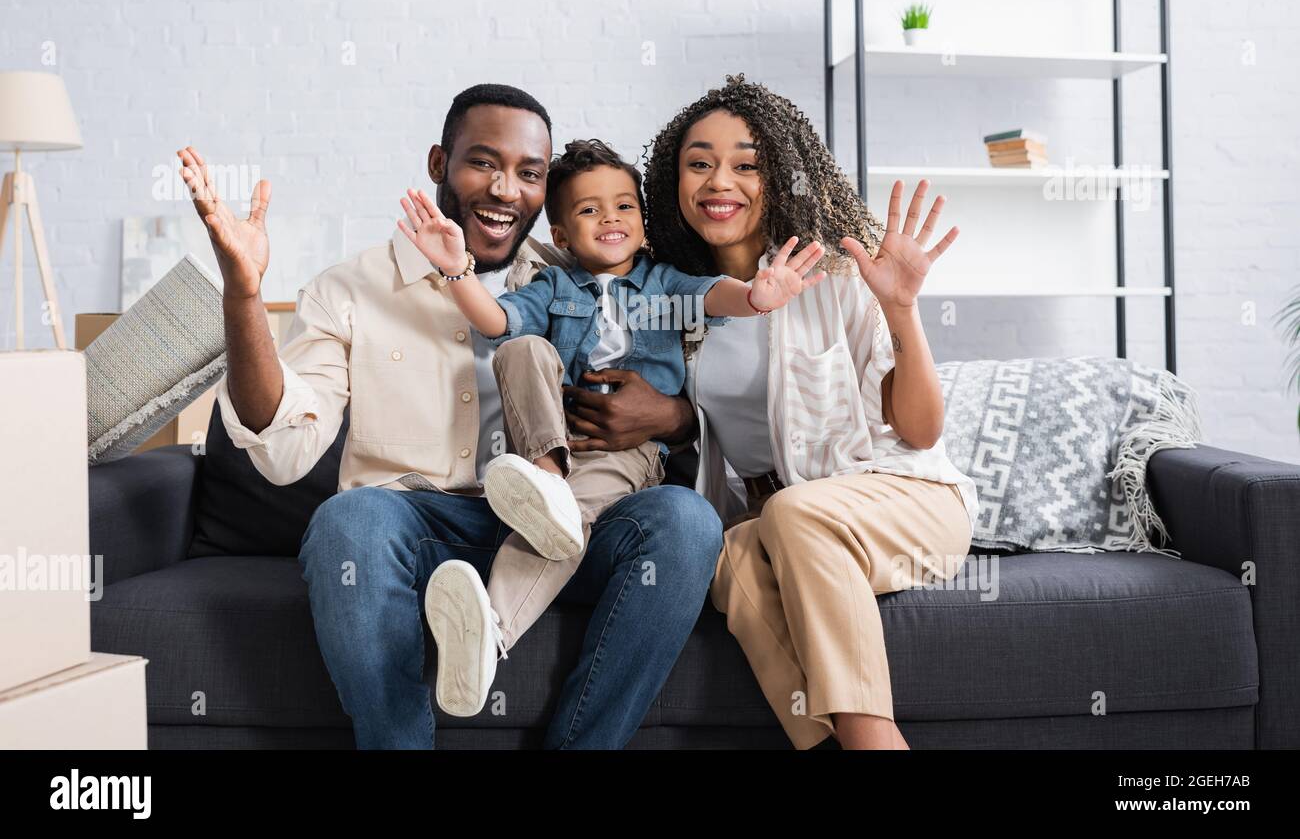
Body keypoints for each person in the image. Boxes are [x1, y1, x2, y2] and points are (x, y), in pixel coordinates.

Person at [176, 83, 724, 749]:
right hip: (424, 523)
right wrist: (245, 291)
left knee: (687, 522)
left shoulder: (575, 272)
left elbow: (704, 375)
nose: (504, 189)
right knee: (347, 519)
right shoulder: (349, 288)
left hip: (571, 522)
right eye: (482, 163)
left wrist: (674, 417)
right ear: (440, 163)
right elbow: (280, 448)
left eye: (529, 173)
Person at [397, 138, 825, 715]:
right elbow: (497, 321)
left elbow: (713, 297)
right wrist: (456, 270)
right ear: (562, 235)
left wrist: (754, 295)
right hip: (558, 443)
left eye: (624, 206)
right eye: (589, 210)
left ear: (644, 225)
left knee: (563, 521)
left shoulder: (664, 284)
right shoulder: (553, 286)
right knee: (522, 348)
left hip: (629, 454)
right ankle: (545, 481)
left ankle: (491, 631)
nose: (610, 219)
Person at [641, 74, 980, 750]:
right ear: (673, 182)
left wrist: (902, 310)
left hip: (907, 499)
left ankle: (874, 741)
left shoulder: (838, 278)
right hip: (781, 522)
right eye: (699, 162)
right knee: (728, 555)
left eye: (746, 164)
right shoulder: (683, 305)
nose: (719, 181)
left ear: (782, 174)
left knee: (793, 513)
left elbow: (918, 429)